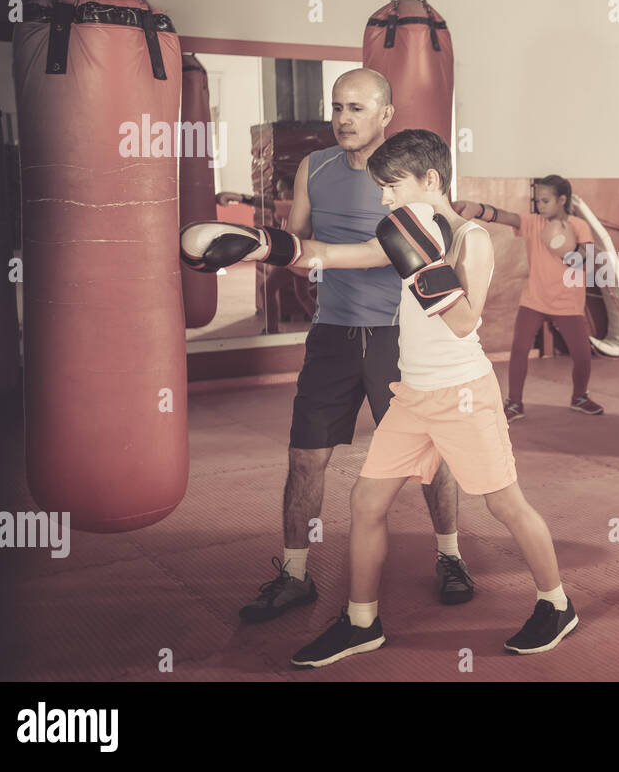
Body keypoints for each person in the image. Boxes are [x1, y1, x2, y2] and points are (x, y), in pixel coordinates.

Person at [181, 129, 579, 664]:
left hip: (463, 395)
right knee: (366, 500)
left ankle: (556, 605)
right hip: (412, 394)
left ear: (430, 180)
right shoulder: (404, 231)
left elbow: (463, 322)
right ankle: (362, 621)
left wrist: (420, 265)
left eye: (392, 187)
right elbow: (334, 254)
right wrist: (262, 245)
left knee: (505, 504)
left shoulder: (471, 240)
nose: (385, 199)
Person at [233, 69, 472, 623]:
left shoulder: (409, 177)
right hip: (333, 335)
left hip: (402, 337)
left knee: (431, 458)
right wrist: (257, 247)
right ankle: (294, 575)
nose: (344, 118)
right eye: (338, 107)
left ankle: (451, 557)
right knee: (305, 456)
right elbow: (296, 242)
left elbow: (424, 248)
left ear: (386, 115)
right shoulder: (313, 168)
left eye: (358, 108)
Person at [452, 176, 604, 423]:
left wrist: (567, 249)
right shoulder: (534, 222)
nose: (540, 205)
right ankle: (514, 403)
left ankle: (579, 397)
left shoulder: (578, 226)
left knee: (582, 355)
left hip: (568, 302)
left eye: (546, 200)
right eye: (538, 200)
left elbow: (587, 260)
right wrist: (477, 208)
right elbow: (505, 216)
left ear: (562, 200)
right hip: (534, 299)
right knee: (520, 350)